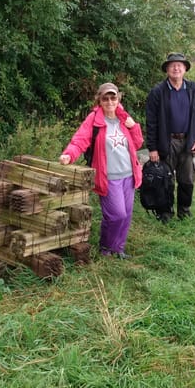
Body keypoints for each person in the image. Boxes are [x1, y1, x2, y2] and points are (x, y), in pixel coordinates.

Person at [60, 83, 143, 258]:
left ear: (118, 98)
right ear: (99, 100)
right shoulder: (94, 119)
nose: (110, 101)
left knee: (126, 215)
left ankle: (118, 248)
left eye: (113, 97)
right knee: (116, 214)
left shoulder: (123, 117)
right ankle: (106, 247)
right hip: (108, 177)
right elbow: (80, 140)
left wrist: (133, 126)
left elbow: (137, 144)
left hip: (129, 174)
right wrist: (69, 155)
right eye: (105, 98)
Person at [145, 52, 195, 222]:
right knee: (166, 179)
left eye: (180, 65)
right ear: (167, 70)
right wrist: (153, 147)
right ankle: (166, 212)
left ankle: (184, 211)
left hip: (188, 141)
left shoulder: (193, 89)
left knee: (187, 180)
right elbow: (151, 121)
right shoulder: (158, 91)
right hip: (166, 141)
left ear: (185, 69)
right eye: (172, 65)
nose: (176, 68)